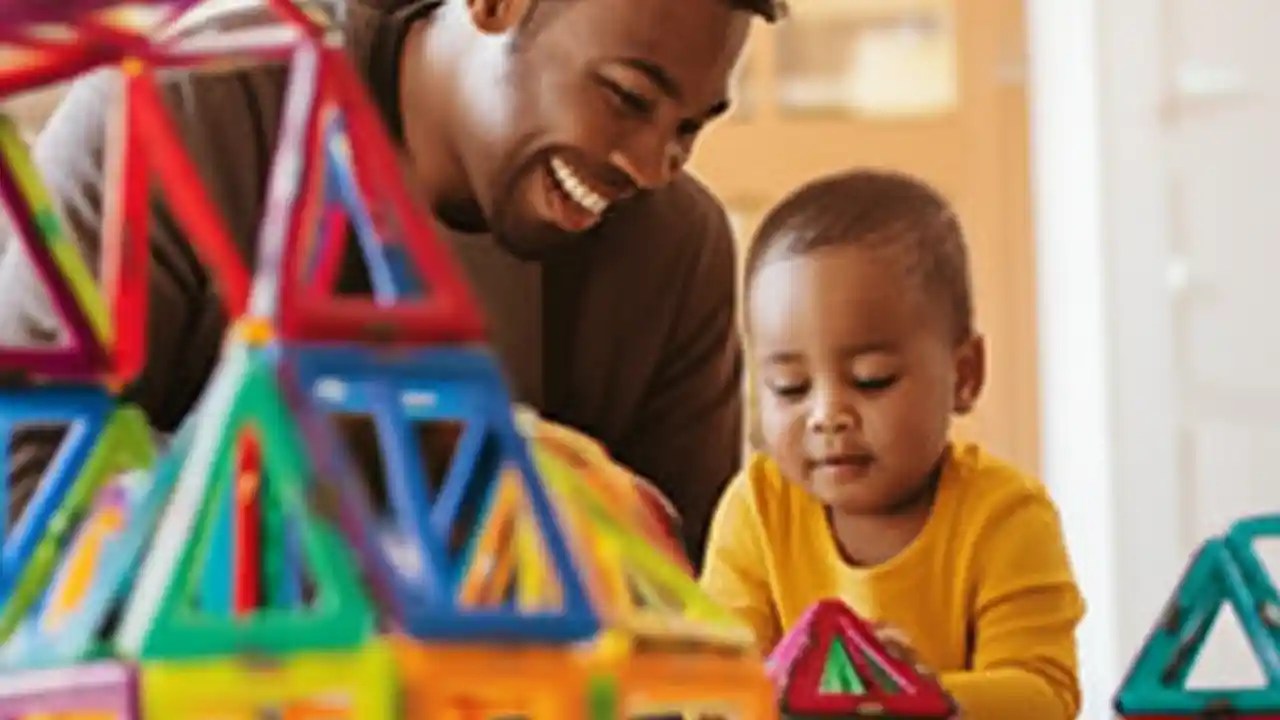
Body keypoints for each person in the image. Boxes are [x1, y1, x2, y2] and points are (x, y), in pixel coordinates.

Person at [0, 0, 784, 566]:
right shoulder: (179, 110)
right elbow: (21, 485)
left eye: (688, 128)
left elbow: (696, 595)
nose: (650, 166)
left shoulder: (675, 250)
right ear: (495, 6)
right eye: (625, 97)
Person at [698, 169, 1085, 718]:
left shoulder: (1006, 516)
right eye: (791, 388)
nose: (827, 415)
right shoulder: (757, 509)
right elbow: (712, 685)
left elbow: (1047, 696)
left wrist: (927, 696)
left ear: (965, 374)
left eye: (872, 378)